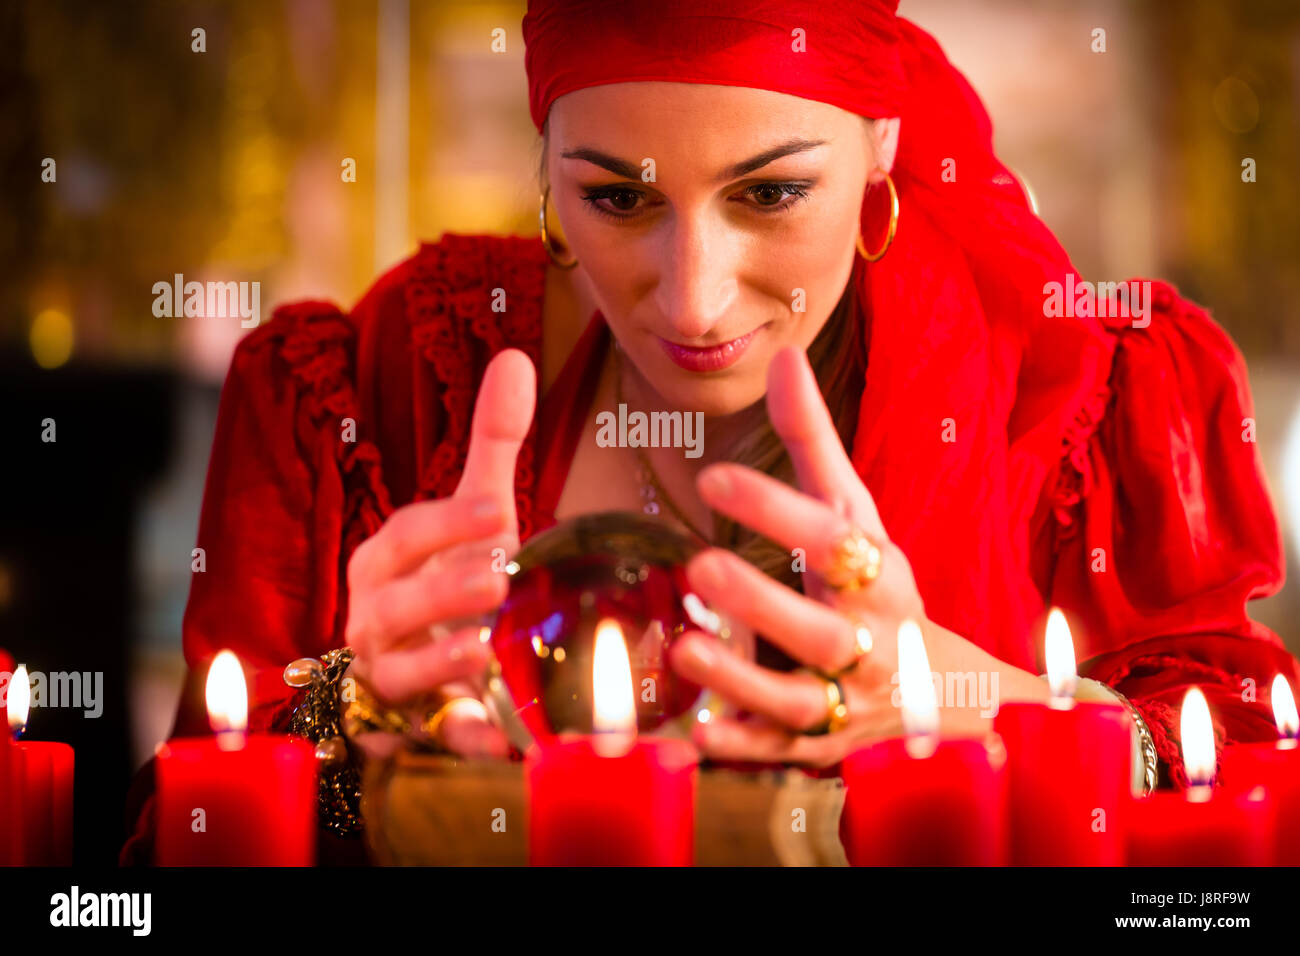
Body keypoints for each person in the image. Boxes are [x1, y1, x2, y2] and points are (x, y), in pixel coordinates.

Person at [121, 0, 1300, 864]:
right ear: (545, 167)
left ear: (881, 145)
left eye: (770, 192)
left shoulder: (1083, 400)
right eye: (617, 198)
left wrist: (979, 694)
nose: (692, 299)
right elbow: (160, 860)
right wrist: (346, 715)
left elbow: (1244, 810)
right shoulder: (375, 387)